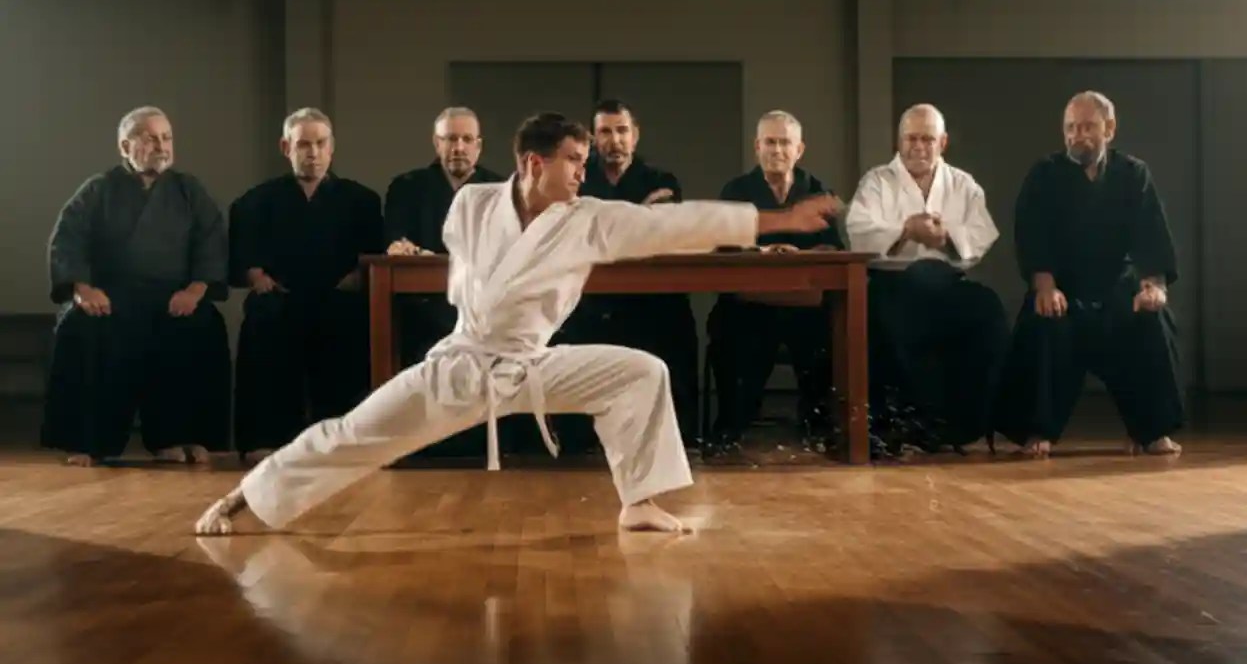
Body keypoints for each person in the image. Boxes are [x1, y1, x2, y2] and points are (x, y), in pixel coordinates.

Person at [195, 111, 839, 536]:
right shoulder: (471, 205)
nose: (584, 173)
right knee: (355, 434)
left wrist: (777, 222)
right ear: (534, 163)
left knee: (641, 371)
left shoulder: (589, 217)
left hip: (531, 362)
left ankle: (640, 500)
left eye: (586, 162)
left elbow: (674, 223)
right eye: (574, 161)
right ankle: (247, 499)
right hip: (462, 368)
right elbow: (470, 278)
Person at [994, 91, 1184, 457]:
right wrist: (1045, 286)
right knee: (1044, 322)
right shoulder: (1044, 174)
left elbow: (1151, 237)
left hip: (1119, 288)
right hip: (1063, 285)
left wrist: (1154, 286)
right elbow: (1032, 235)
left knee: (1152, 319)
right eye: (1070, 128)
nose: (1077, 136)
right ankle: (1038, 431)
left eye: (1087, 127)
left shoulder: (1133, 174)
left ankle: (1151, 431)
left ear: (1109, 129)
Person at [42, 105, 231, 466]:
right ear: (125, 146)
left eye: (167, 138)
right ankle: (88, 441)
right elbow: (68, 239)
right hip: (110, 296)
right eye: (150, 138)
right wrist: (82, 288)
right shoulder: (98, 189)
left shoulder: (188, 190)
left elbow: (211, 240)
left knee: (202, 324)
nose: (161, 146)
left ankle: (179, 437)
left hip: (173, 296)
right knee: (81, 326)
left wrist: (195, 290)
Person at [846, 104, 1005, 453]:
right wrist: (906, 230)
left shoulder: (963, 184)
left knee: (988, 311)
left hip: (945, 284)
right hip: (893, 285)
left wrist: (946, 237)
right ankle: (896, 426)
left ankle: (962, 426)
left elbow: (982, 232)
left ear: (943, 142)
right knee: (881, 317)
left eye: (927, 139)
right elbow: (858, 231)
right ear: (899, 141)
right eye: (911, 138)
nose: (918, 147)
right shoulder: (877, 181)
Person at [227, 107, 383, 460]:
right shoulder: (256, 201)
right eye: (303, 144)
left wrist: (358, 276)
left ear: (332, 147)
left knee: (353, 324)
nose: (312, 153)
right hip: (280, 297)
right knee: (264, 320)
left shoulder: (362, 200)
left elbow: (373, 254)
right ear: (286, 147)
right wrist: (255, 276)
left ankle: (342, 439)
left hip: (336, 298)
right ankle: (265, 439)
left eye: (320, 143)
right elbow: (243, 258)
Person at [555, 98, 700, 449]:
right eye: (605, 132)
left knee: (676, 325)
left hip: (647, 301)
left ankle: (672, 442)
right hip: (590, 300)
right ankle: (576, 445)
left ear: (635, 136)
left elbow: (658, 234)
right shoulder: (575, 180)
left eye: (622, 131)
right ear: (592, 140)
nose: (614, 140)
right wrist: (635, 219)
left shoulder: (661, 180)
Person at [705, 110, 842, 448]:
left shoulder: (816, 191)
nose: (777, 150)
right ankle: (730, 426)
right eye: (770, 142)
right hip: (750, 302)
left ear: (799, 150)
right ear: (757, 147)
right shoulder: (737, 190)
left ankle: (819, 426)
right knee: (729, 329)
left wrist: (799, 254)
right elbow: (721, 247)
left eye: (785, 143)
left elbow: (832, 249)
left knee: (830, 331)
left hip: (801, 304)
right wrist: (765, 252)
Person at [384, 106, 504, 363]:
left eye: (467, 139)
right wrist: (401, 247)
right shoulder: (407, 187)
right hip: (423, 309)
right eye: (450, 139)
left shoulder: (501, 191)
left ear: (479, 146)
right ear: (437, 144)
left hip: (482, 310)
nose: (459, 147)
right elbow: (396, 238)